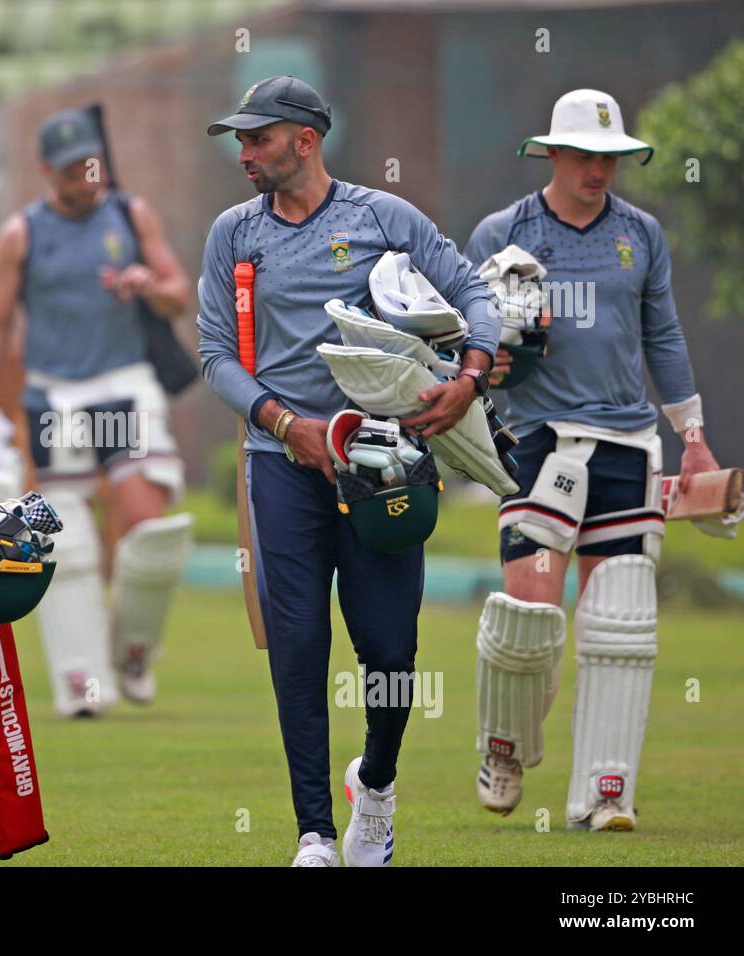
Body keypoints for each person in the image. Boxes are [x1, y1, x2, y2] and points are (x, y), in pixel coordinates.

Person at [197, 76, 500, 866]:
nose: (243, 153)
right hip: (282, 464)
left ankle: (378, 786)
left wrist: (467, 379)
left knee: (392, 652)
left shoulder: (384, 217)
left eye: (257, 138)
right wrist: (283, 423)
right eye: (240, 139)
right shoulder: (232, 233)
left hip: (388, 466)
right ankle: (315, 833)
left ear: (305, 140)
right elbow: (214, 355)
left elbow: (473, 291)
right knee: (298, 647)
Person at [465, 89, 719, 831]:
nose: (598, 169)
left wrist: (693, 435)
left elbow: (663, 337)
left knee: (620, 623)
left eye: (610, 156)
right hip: (538, 438)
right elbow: (468, 341)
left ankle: (604, 794)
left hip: (627, 442)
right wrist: (490, 363)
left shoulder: (641, 235)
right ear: (551, 154)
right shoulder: (502, 232)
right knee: (530, 617)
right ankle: (505, 747)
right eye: (583, 155)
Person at [0, 107, 195, 716]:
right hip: (55, 395)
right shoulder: (22, 233)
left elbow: (179, 292)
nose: (85, 177)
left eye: (90, 163)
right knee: (69, 542)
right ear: (47, 171)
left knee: (149, 534)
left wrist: (147, 282)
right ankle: (83, 680)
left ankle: (135, 650)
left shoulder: (129, 212)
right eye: (71, 169)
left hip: (123, 385)